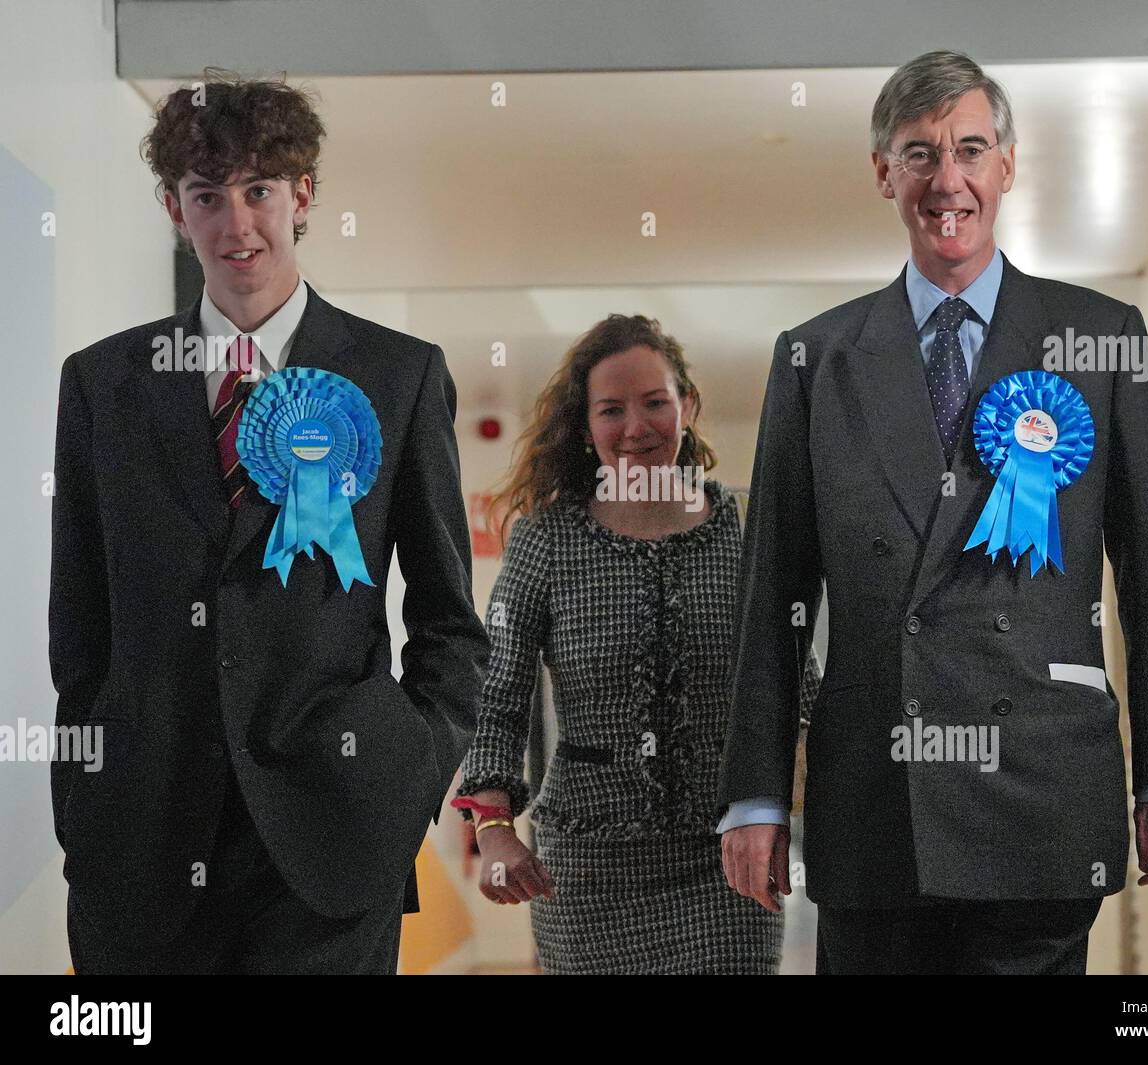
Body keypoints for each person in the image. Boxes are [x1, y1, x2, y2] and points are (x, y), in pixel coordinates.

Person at [717, 50, 1148, 975]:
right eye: (918, 154)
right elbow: (771, 595)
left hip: (1040, 792)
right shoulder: (813, 360)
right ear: (883, 173)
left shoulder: (1101, 339)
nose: (947, 180)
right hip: (875, 803)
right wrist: (755, 797)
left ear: (1008, 165)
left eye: (971, 149)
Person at [49, 71, 489, 973]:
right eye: (208, 197)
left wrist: (407, 767)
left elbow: (449, 617)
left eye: (259, 191)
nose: (237, 225)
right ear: (175, 208)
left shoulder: (397, 375)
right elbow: (78, 624)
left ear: (304, 195)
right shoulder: (103, 385)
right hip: (142, 839)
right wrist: (85, 786)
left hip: (334, 838)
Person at [454, 314, 819, 974]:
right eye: (611, 409)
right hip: (587, 875)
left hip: (728, 864)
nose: (634, 427)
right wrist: (495, 830)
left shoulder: (747, 537)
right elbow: (498, 691)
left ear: (687, 405)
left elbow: (799, 686)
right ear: (586, 423)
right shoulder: (547, 539)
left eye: (655, 402)